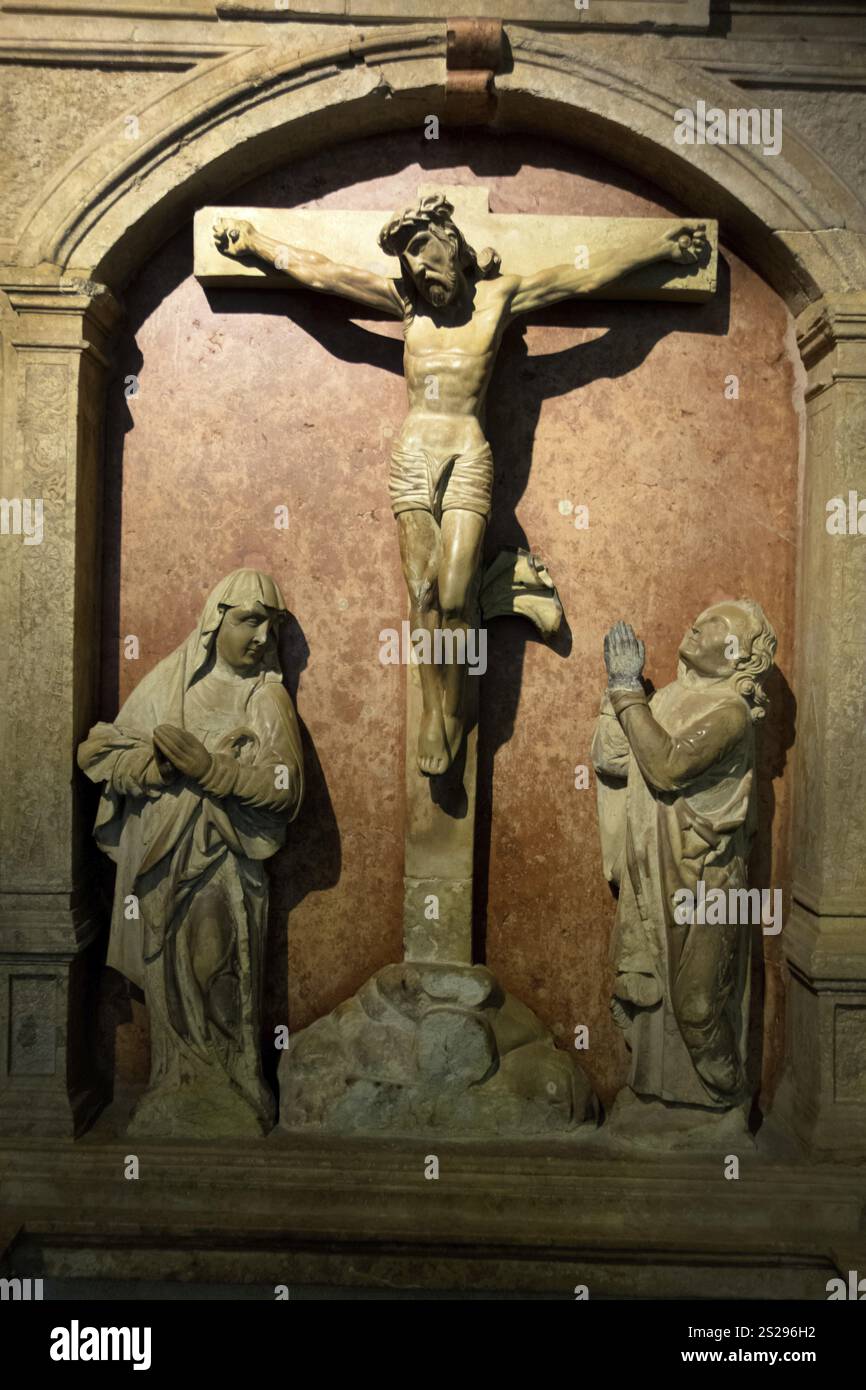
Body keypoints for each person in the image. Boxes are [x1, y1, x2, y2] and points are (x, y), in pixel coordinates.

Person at [214, 193, 707, 776]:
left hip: (468, 453)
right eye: (407, 258)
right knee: (423, 597)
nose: (418, 267)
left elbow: (582, 276)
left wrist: (658, 247)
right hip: (413, 455)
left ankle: (451, 705)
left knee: (454, 594)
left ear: (452, 242)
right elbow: (324, 273)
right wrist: (258, 243)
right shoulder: (407, 304)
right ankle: (438, 711)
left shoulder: (500, 299)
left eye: (423, 248)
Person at [78, 569, 304, 1136]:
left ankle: (232, 1083)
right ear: (215, 621)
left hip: (224, 864)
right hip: (161, 860)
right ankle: (177, 1083)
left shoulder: (265, 696)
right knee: (170, 980)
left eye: (269, 626)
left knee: (216, 967)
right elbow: (101, 754)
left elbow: (285, 786)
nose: (259, 637)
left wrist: (212, 770)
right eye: (248, 621)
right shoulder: (171, 685)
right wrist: (154, 768)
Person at [591, 602, 777, 1111]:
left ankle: (724, 1105)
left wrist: (628, 689)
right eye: (700, 616)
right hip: (652, 874)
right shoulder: (671, 697)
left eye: (719, 625)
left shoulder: (730, 714)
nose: (698, 624)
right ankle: (660, 1103)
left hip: (704, 884)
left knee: (697, 1006)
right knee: (653, 999)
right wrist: (617, 698)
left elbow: (668, 766)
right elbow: (615, 758)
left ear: (741, 657)